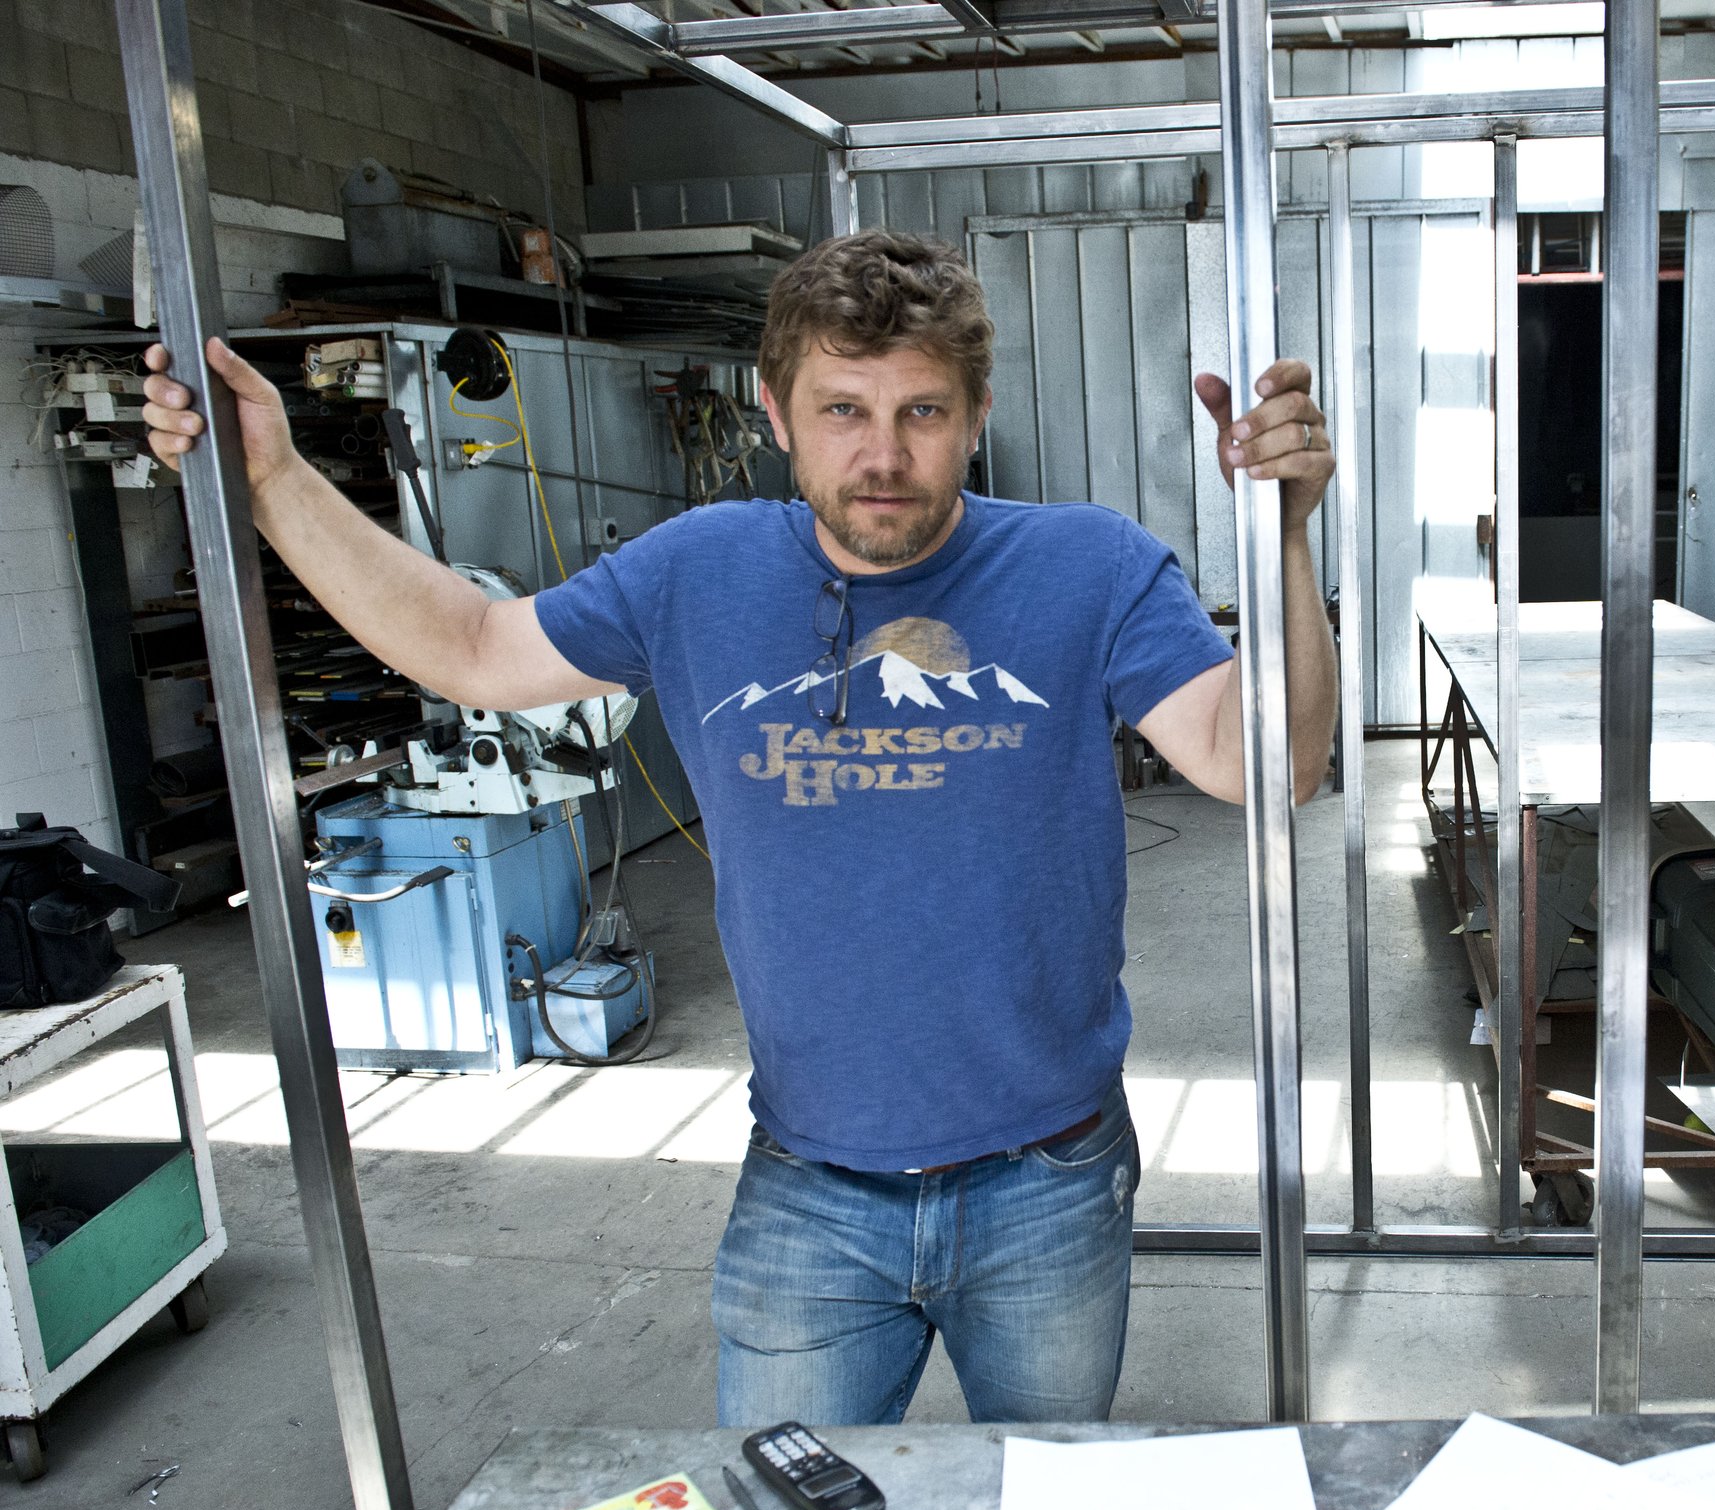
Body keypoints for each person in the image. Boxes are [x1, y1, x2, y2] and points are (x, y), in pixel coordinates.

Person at [140, 229, 1340, 1425]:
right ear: (775, 412)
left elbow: (1264, 761)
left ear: (976, 413)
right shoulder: (692, 571)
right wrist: (275, 480)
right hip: (809, 1186)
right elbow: (471, 647)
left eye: (922, 410)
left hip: (1048, 1176)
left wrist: (1284, 533)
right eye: (841, 410)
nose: (882, 455)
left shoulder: (1092, 565)